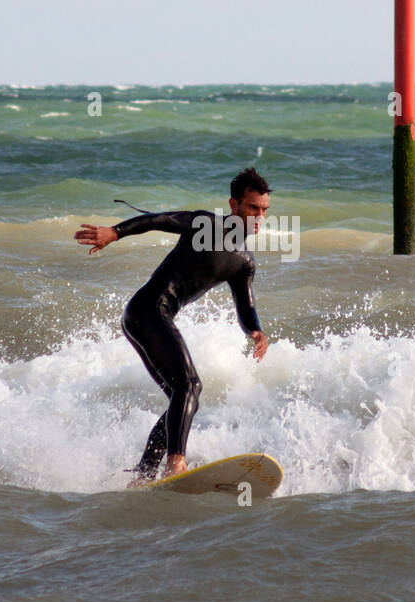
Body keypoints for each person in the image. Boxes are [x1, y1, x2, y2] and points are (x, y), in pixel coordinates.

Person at [74, 168, 271, 482]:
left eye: (264, 210)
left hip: (147, 319)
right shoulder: (205, 224)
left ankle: (145, 471)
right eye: (253, 208)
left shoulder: (244, 262)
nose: (259, 216)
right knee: (189, 386)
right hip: (148, 311)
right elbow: (159, 220)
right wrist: (115, 232)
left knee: (185, 399)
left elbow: (246, 306)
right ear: (234, 205)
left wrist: (255, 331)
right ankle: (175, 464)